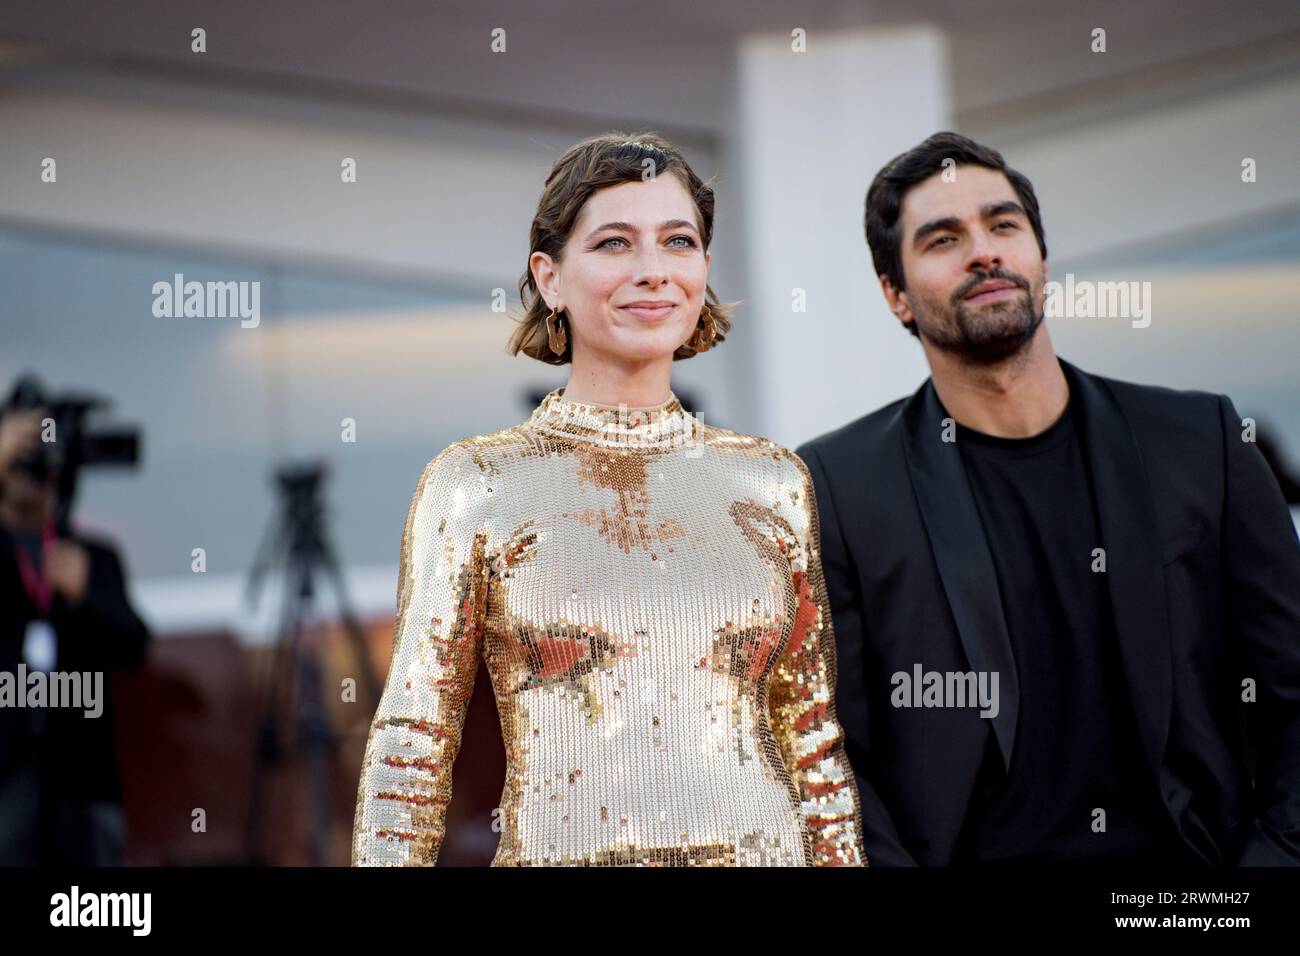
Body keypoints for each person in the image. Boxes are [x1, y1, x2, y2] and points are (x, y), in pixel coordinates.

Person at [351, 131, 863, 867]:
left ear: (704, 270)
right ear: (550, 277)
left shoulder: (774, 481)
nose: (653, 272)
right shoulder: (476, 483)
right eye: (615, 244)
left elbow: (812, 742)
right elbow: (412, 746)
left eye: (677, 242)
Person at [796, 131, 1300, 866]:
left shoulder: (1203, 443)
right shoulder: (838, 486)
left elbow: (1291, 688)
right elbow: (834, 752)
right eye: (944, 239)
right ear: (895, 296)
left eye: (1004, 226)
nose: (984, 252)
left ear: (1041, 260)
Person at [0, 395, 151, 866]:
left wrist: (87, 596)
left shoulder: (92, 555)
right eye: (19, 458)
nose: (32, 469)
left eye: (38, 458)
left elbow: (134, 645)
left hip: (84, 780)